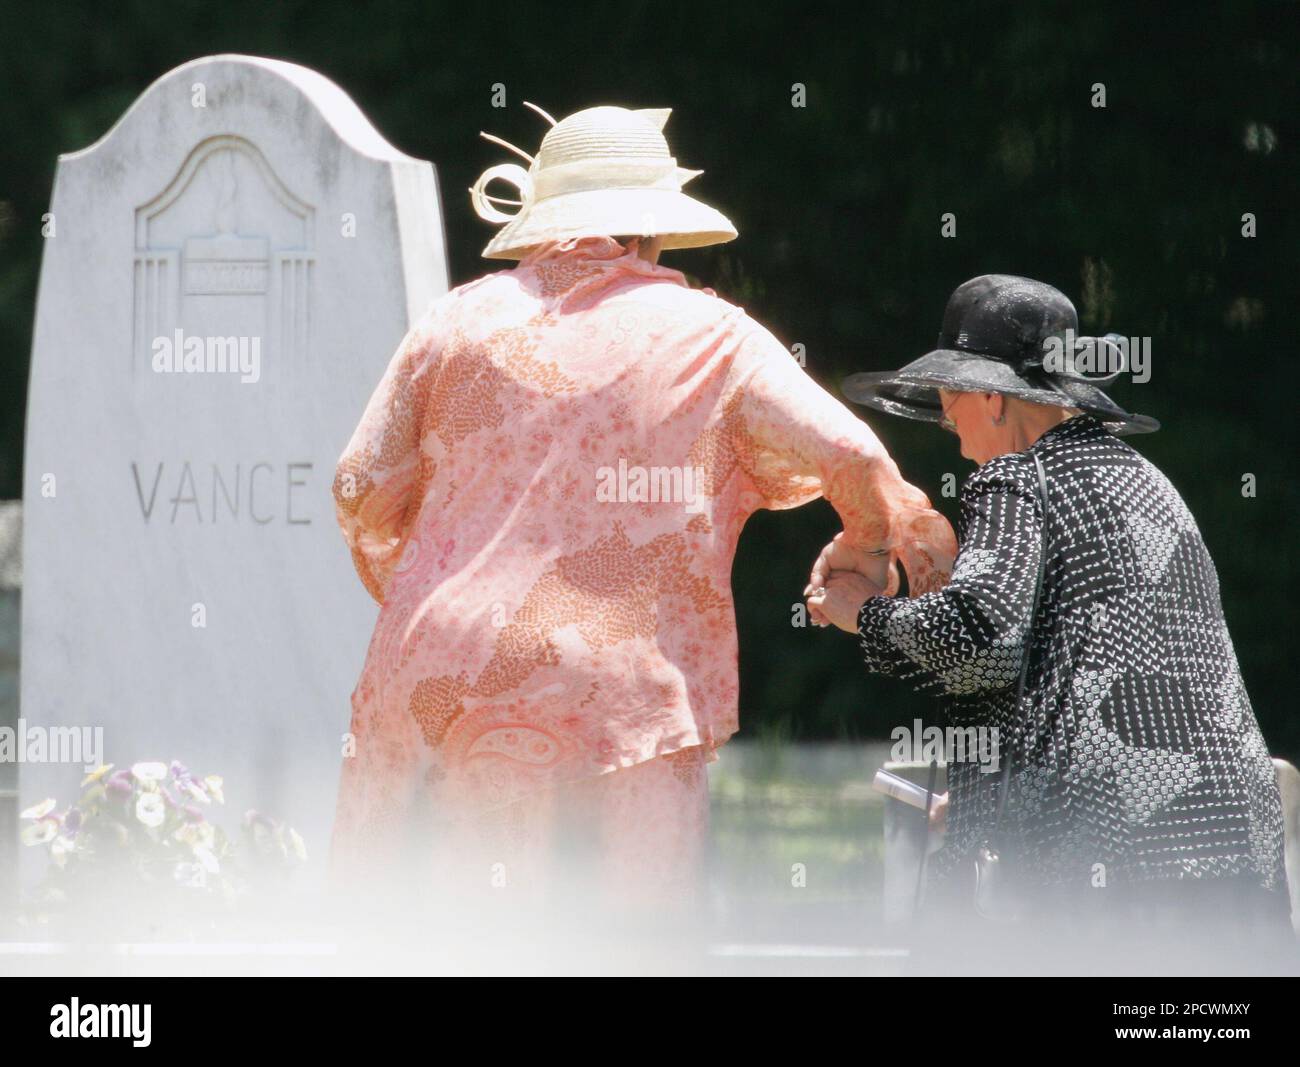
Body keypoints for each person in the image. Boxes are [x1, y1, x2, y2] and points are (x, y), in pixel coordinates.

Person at [327, 103, 956, 926]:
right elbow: (856, 457)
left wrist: (436, 576)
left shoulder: (457, 318)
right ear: (655, 230)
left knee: (431, 937)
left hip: (435, 672)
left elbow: (357, 485)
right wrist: (867, 542)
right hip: (614, 689)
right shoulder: (711, 338)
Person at [807, 274, 1294, 974]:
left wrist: (866, 615)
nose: (953, 433)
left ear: (994, 398)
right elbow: (1088, 669)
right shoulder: (1146, 480)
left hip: (1114, 851)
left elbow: (981, 638)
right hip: (1234, 837)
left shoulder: (1018, 480)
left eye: (952, 405)